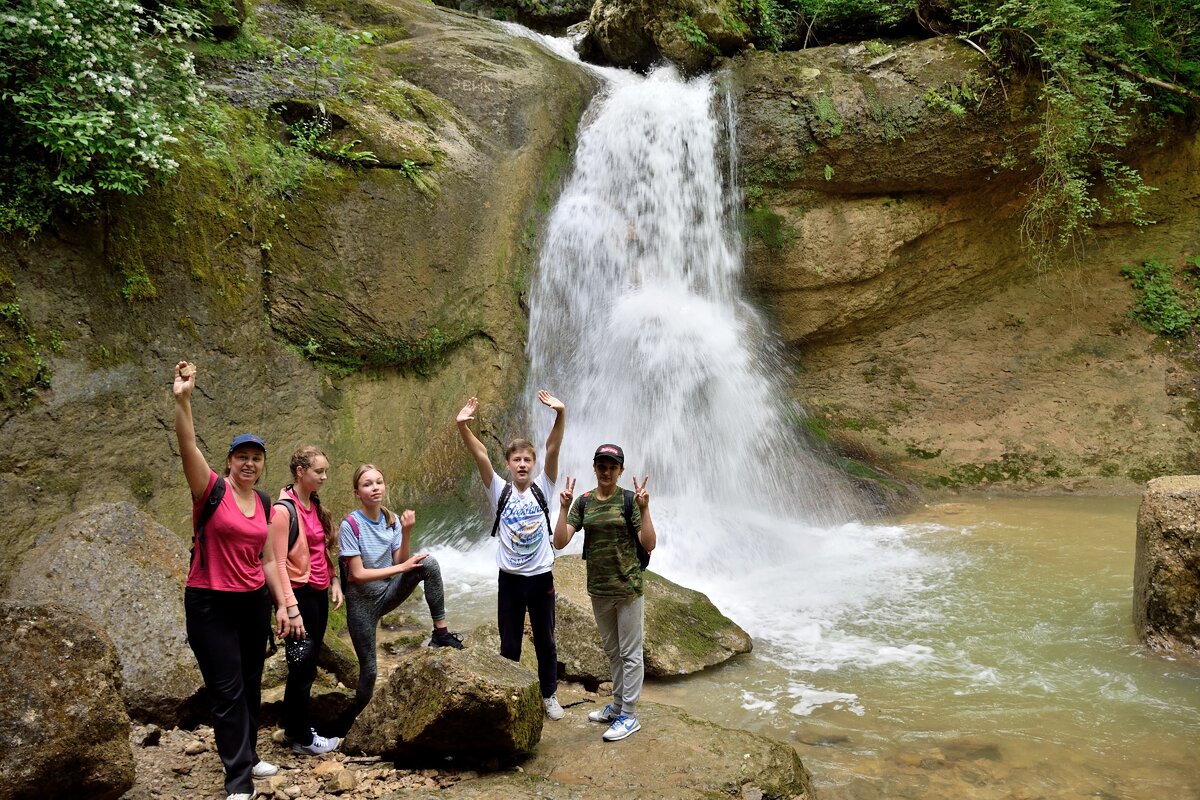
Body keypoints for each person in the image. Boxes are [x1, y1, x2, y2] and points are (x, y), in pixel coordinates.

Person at [172, 360, 290, 800]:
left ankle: (249, 754)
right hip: (209, 602)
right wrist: (183, 400)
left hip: (252, 602)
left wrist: (283, 604)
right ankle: (238, 780)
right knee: (226, 688)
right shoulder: (210, 489)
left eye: (256, 458)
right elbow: (187, 447)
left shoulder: (262, 501)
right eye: (242, 456)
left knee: (252, 681)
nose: (249, 463)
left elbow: (269, 560)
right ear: (229, 460)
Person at [455, 391, 566, 720]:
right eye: (516, 460)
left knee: (545, 641)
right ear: (508, 464)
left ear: (534, 465)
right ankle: (512, 694)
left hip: (541, 577)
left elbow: (554, 448)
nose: (522, 464)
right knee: (510, 644)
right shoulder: (498, 489)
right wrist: (462, 427)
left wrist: (561, 414)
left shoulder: (543, 487)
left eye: (527, 460)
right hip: (511, 581)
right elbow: (479, 456)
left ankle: (549, 695)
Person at [332, 463, 463, 734]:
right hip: (362, 604)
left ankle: (441, 633)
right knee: (369, 671)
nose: (375, 488)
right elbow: (357, 574)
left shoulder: (389, 519)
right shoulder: (350, 525)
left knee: (428, 563)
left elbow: (399, 560)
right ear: (357, 492)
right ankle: (353, 724)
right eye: (367, 484)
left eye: (379, 482)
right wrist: (402, 569)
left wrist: (405, 532)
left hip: (387, 593)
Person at [553, 444, 656, 741]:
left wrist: (645, 508)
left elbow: (649, 542)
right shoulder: (583, 502)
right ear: (595, 467)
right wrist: (562, 507)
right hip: (598, 588)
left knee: (630, 653)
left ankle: (629, 715)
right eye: (602, 465)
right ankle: (618, 705)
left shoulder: (629, 501)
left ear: (620, 470)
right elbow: (560, 541)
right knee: (613, 651)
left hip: (627, 587)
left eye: (612, 466)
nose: (606, 471)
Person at [269, 445, 343, 756]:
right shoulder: (283, 511)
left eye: (326, 471)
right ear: (300, 472)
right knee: (301, 665)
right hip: (297, 595)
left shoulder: (314, 505)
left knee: (308, 663)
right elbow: (277, 562)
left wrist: (334, 580)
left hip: (317, 593)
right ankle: (300, 736)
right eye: (319, 471)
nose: (325, 477)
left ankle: (292, 727)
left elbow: (323, 548)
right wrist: (289, 607)